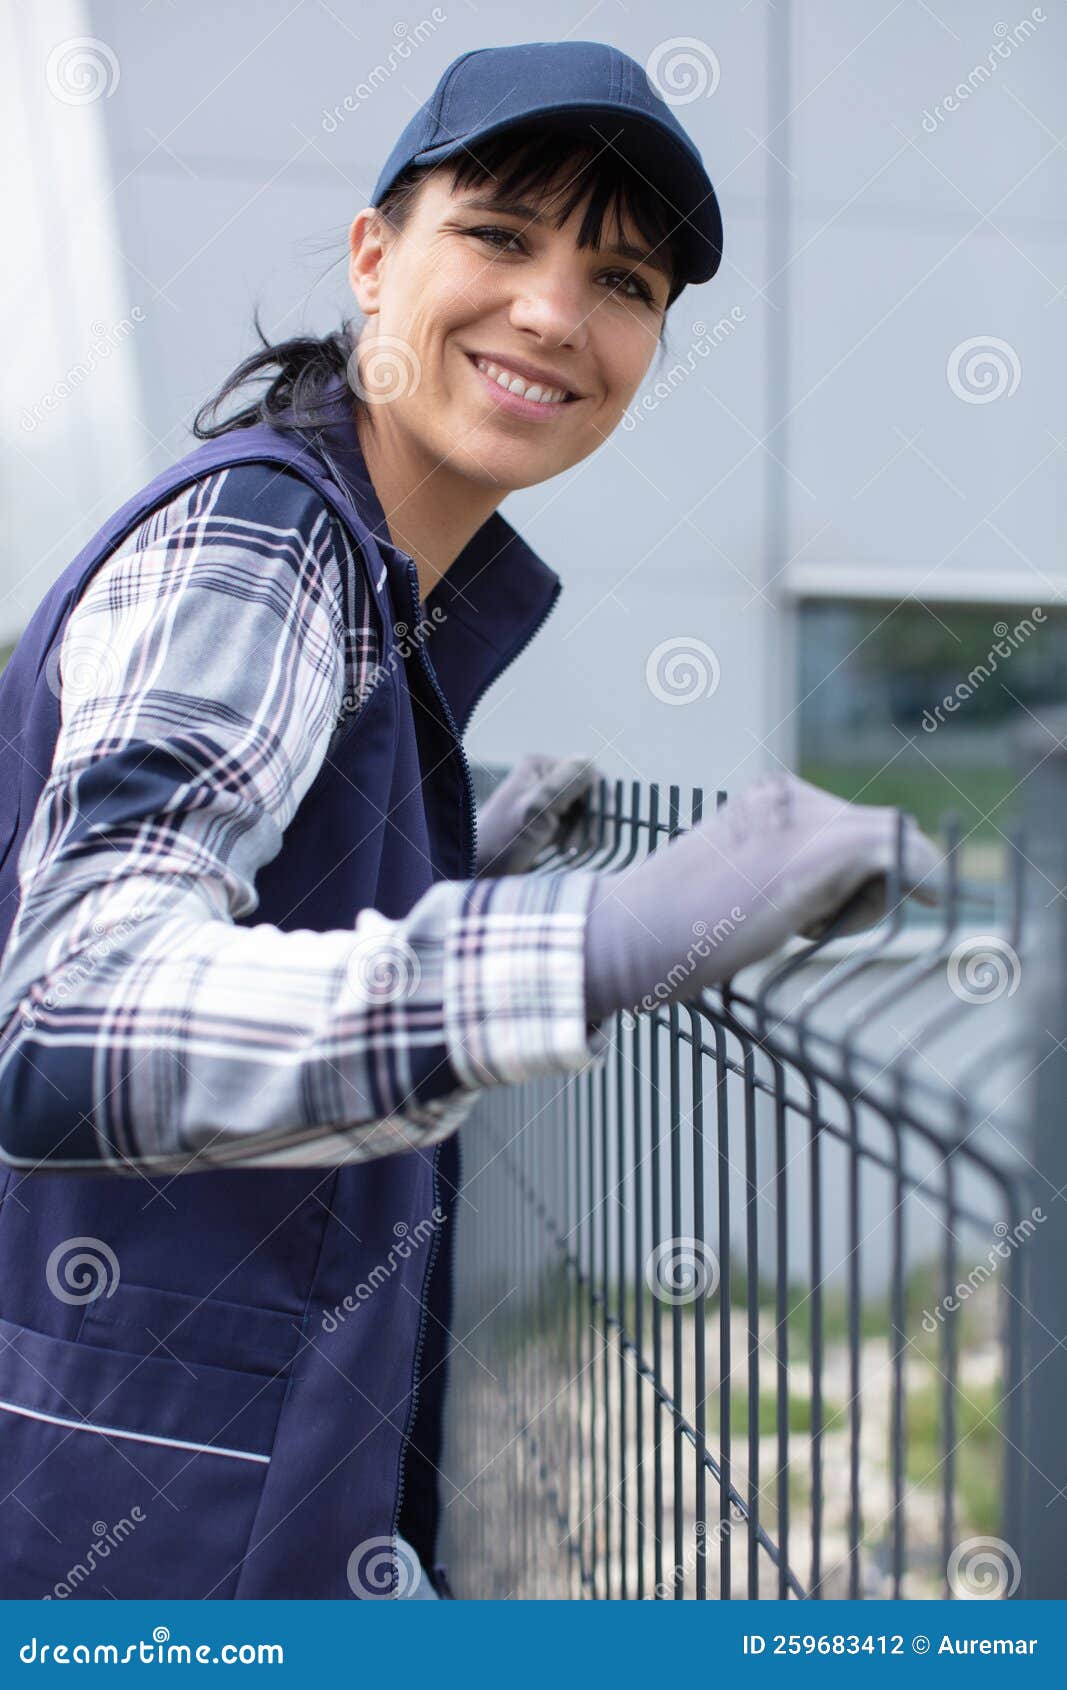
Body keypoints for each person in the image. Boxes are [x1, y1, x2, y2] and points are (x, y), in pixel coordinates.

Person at [0, 40, 940, 1600]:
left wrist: (431, 861)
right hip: (128, 1545)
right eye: (501, 235)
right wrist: (588, 941)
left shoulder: (377, 584)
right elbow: (64, 1016)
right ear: (374, 257)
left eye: (624, 281)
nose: (557, 313)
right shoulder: (264, 537)